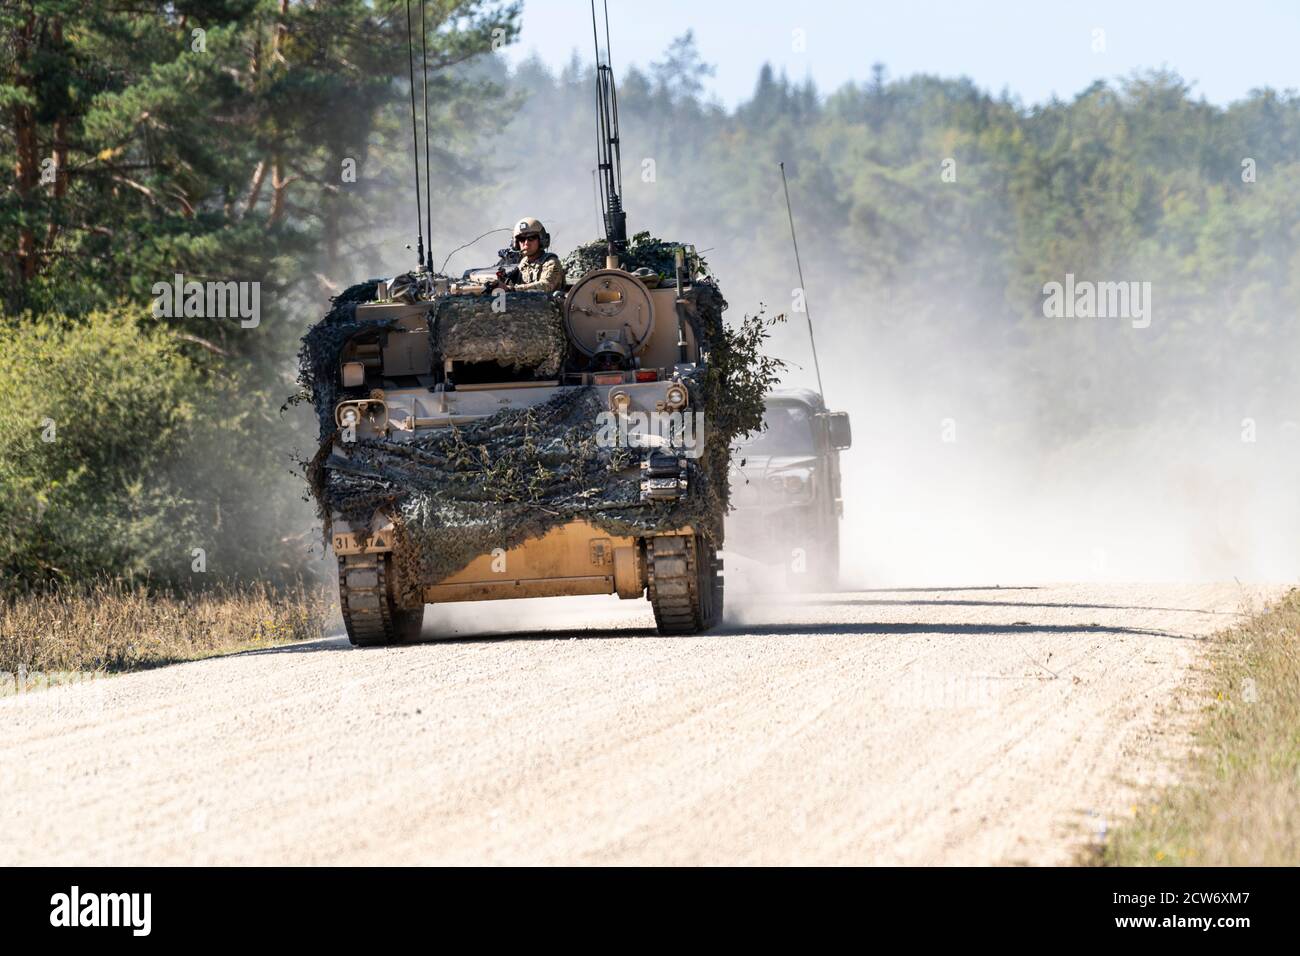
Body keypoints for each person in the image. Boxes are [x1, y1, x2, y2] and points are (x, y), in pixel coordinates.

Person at [507, 217, 565, 292]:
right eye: (521, 239)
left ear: (541, 240)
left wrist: (513, 289)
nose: (526, 243)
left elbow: (546, 286)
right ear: (516, 243)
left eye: (531, 238)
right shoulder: (524, 263)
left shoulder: (551, 262)